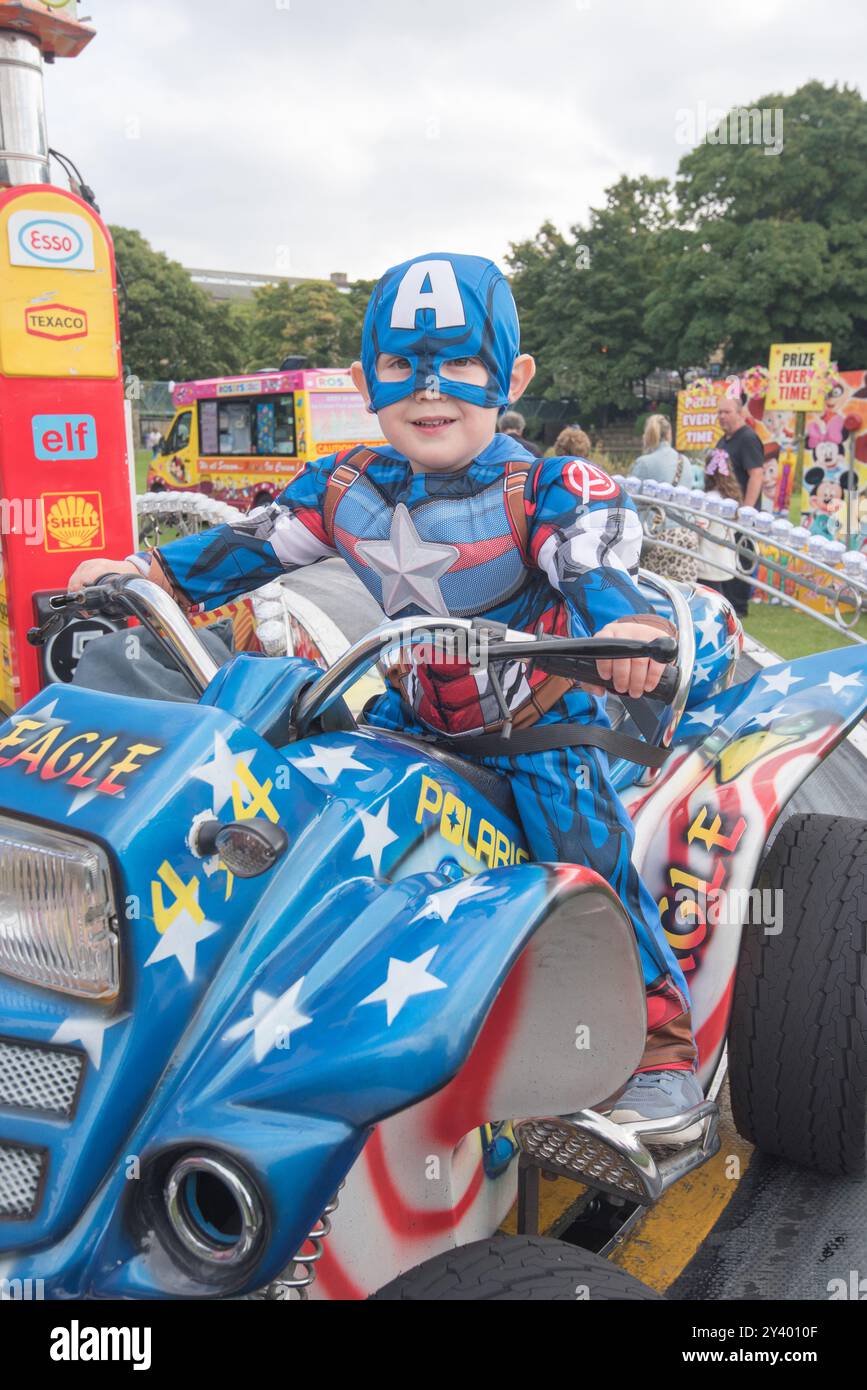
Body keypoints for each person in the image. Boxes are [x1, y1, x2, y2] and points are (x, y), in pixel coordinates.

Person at [69, 252, 701, 1138]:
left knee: (582, 855)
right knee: (313, 800)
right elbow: (249, 545)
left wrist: (628, 627)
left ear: (512, 376)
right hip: (411, 711)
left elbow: (591, 558)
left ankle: (660, 1051)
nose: (430, 388)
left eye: (460, 361)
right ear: (366, 380)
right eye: (403, 363)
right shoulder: (347, 485)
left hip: (537, 725)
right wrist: (144, 575)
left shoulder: (550, 485)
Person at [632, 414, 699, 584]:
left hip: (656, 536)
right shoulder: (685, 461)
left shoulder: (644, 463)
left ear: (648, 435)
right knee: (683, 594)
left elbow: (631, 502)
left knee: (653, 592)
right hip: (685, 534)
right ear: (669, 434)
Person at [695, 451, 744, 595]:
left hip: (708, 561)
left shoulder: (709, 499)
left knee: (709, 598)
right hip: (726, 559)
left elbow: (700, 525)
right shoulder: (732, 498)